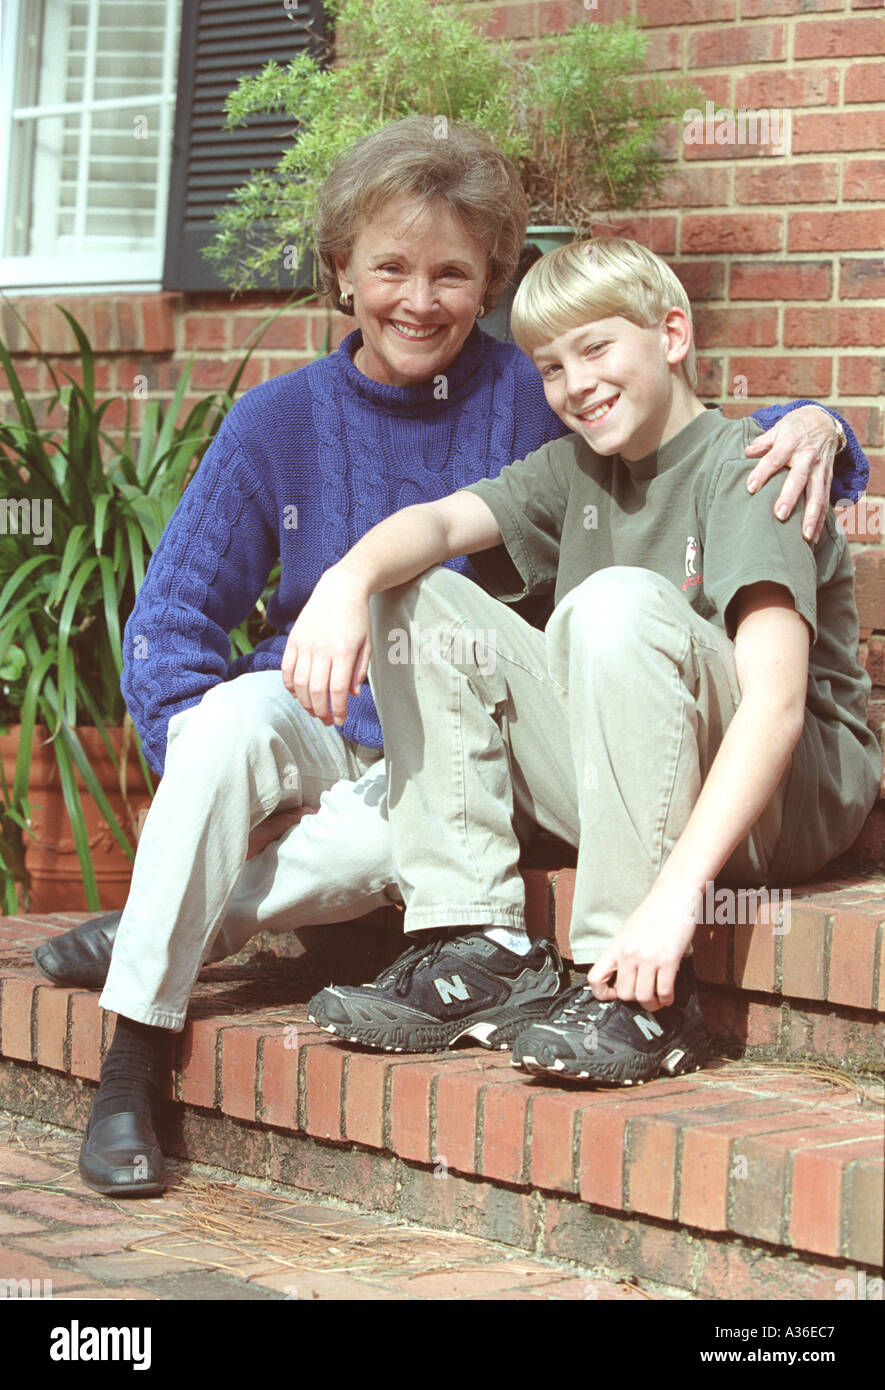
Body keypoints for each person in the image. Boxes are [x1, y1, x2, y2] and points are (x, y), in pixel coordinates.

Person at [36, 118, 861, 1197]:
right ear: (341, 272)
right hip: (331, 718)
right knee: (246, 712)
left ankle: (180, 914)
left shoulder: (537, 397)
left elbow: (696, 422)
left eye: (452, 273)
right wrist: (329, 604)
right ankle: (137, 1060)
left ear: (488, 284)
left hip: (461, 763)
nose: (419, 299)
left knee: (556, 631)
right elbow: (173, 627)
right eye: (390, 267)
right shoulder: (278, 423)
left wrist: (823, 425)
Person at [297, 236, 880, 1087]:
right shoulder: (577, 471)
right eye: (551, 366)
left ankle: (634, 990)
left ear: (671, 335)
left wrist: (672, 900)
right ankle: (480, 944)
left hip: (777, 807)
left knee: (613, 601)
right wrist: (344, 583)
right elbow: (439, 525)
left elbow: (776, 706)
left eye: (596, 347)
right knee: (411, 595)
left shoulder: (754, 469)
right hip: (638, 781)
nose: (575, 385)